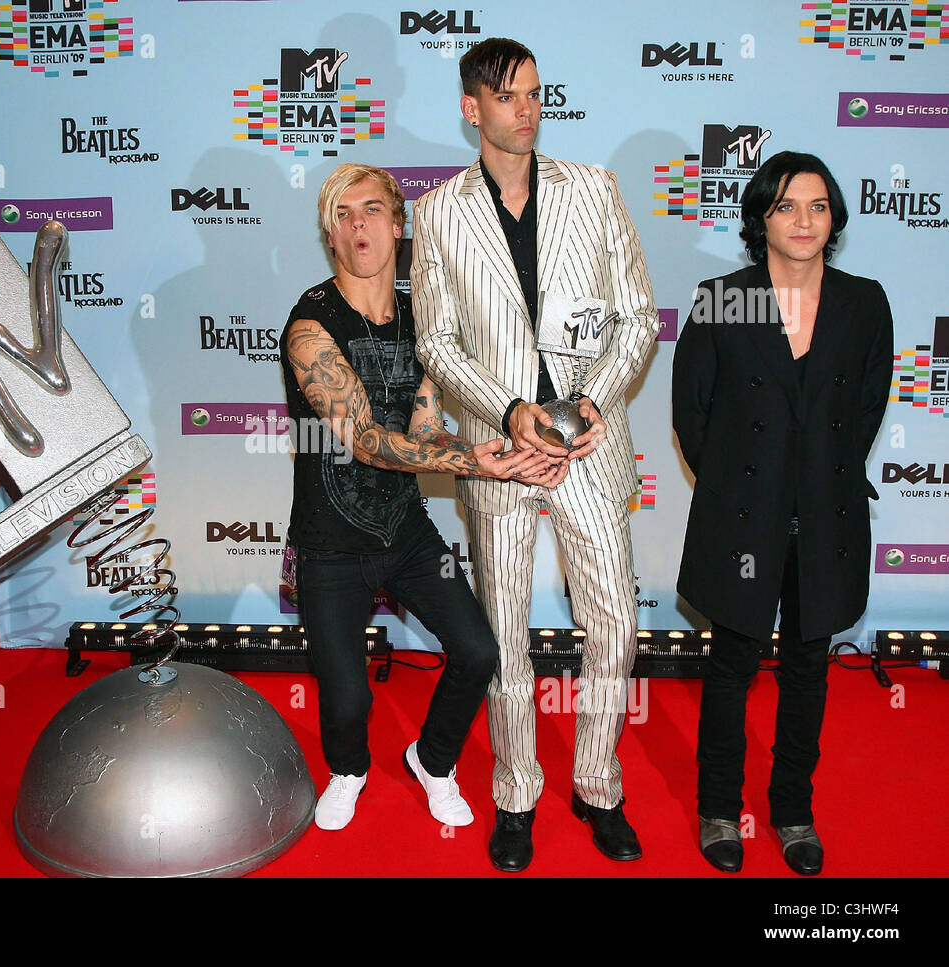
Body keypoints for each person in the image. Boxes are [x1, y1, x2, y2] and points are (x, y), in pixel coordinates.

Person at [411, 38, 659, 872]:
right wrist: (510, 409)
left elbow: (637, 319)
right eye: (507, 96)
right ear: (469, 108)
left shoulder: (594, 190)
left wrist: (594, 398)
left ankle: (598, 784)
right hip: (499, 450)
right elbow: (438, 344)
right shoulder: (438, 212)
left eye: (534, 93)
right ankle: (515, 792)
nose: (527, 109)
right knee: (505, 633)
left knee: (615, 626)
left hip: (589, 437)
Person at [282, 163, 548, 833]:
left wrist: (485, 452)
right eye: (342, 214)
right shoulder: (310, 324)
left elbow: (424, 423)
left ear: (399, 227)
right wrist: (470, 461)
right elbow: (367, 439)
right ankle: (348, 767)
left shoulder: (421, 317)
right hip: (330, 544)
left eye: (371, 209)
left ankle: (432, 759)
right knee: (345, 700)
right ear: (330, 234)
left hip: (405, 530)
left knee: (478, 650)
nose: (358, 223)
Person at [672, 151, 893, 876]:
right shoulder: (723, 298)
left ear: (835, 218)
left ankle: (793, 809)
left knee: (808, 667)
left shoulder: (864, 302)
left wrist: (811, 483)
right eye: (786, 206)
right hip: (741, 515)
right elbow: (692, 415)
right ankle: (716, 808)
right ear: (760, 217)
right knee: (731, 663)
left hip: (826, 517)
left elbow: (864, 410)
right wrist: (750, 487)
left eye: (818, 206)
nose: (804, 220)